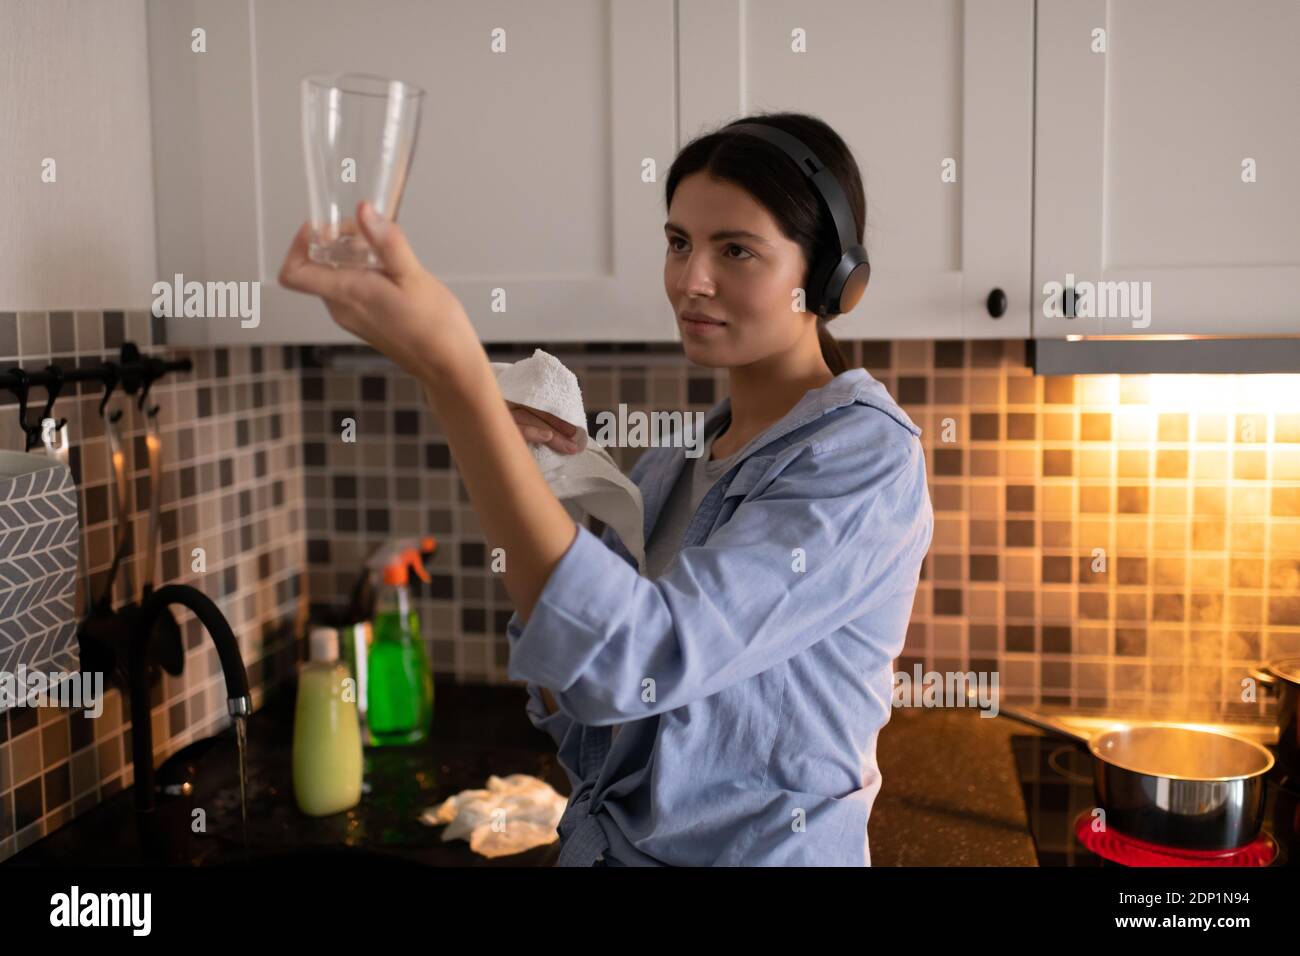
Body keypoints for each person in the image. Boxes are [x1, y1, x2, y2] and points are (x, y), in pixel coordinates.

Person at [279, 111, 934, 866]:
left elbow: (639, 659)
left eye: (737, 250)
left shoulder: (866, 461)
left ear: (828, 280)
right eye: (679, 242)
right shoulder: (674, 461)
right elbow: (587, 706)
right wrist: (480, 422)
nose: (691, 279)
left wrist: (458, 376)